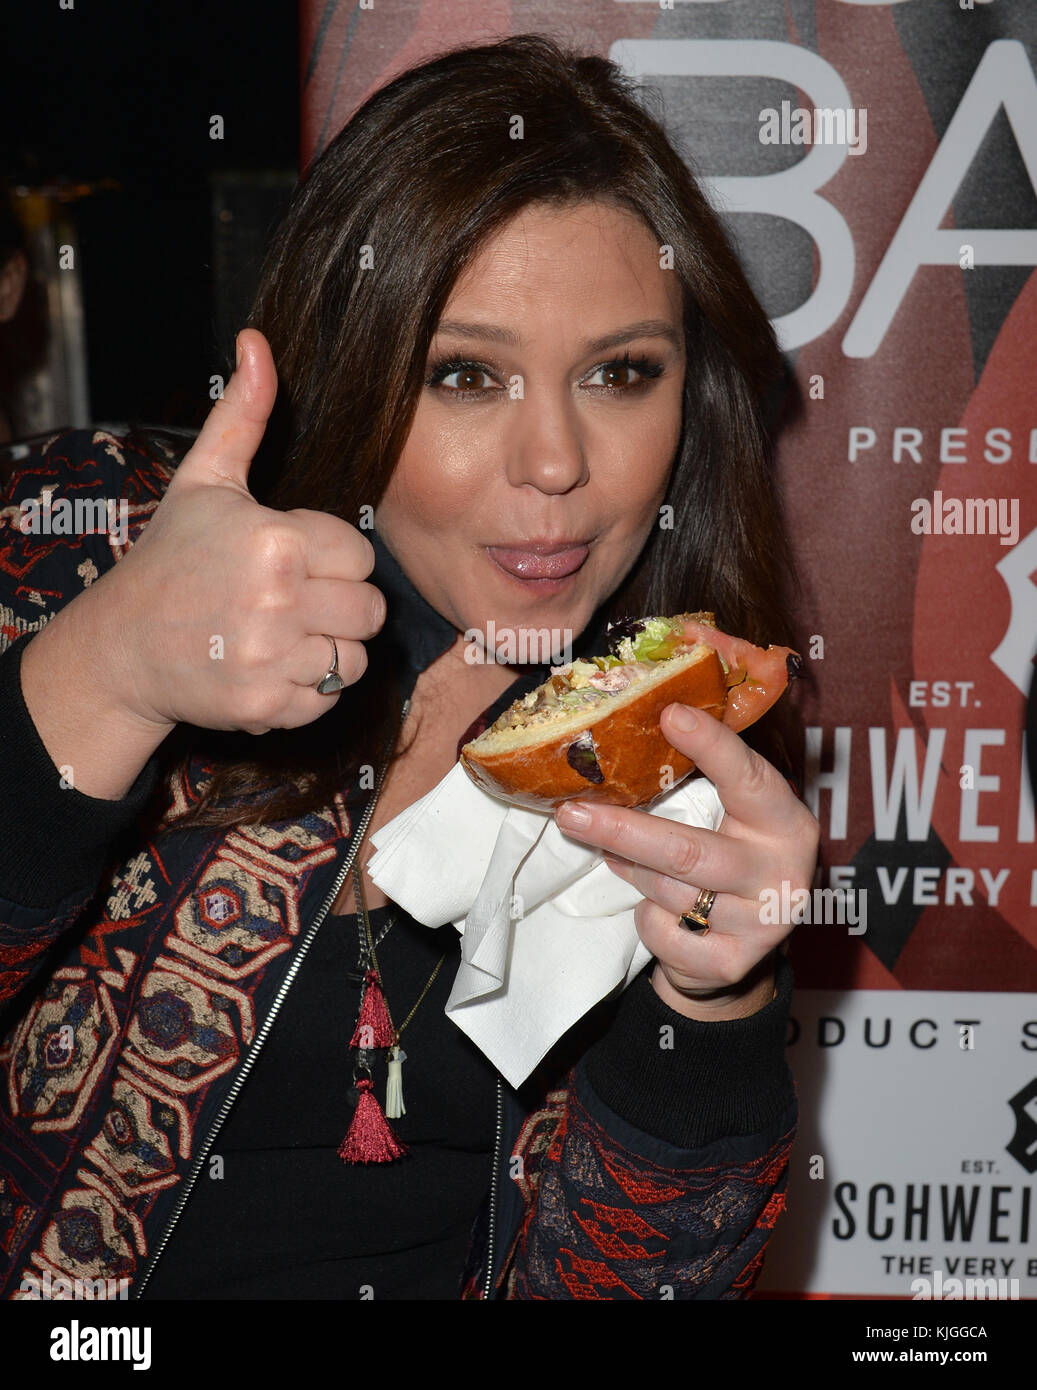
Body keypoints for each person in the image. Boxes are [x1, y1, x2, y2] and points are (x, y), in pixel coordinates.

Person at [0, 33, 817, 1300]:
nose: (554, 464)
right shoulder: (83, 540)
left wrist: (710, 1013)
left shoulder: (679, 729)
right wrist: (97, 675)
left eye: (618, 373)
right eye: (464, 374)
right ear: (346, 362)